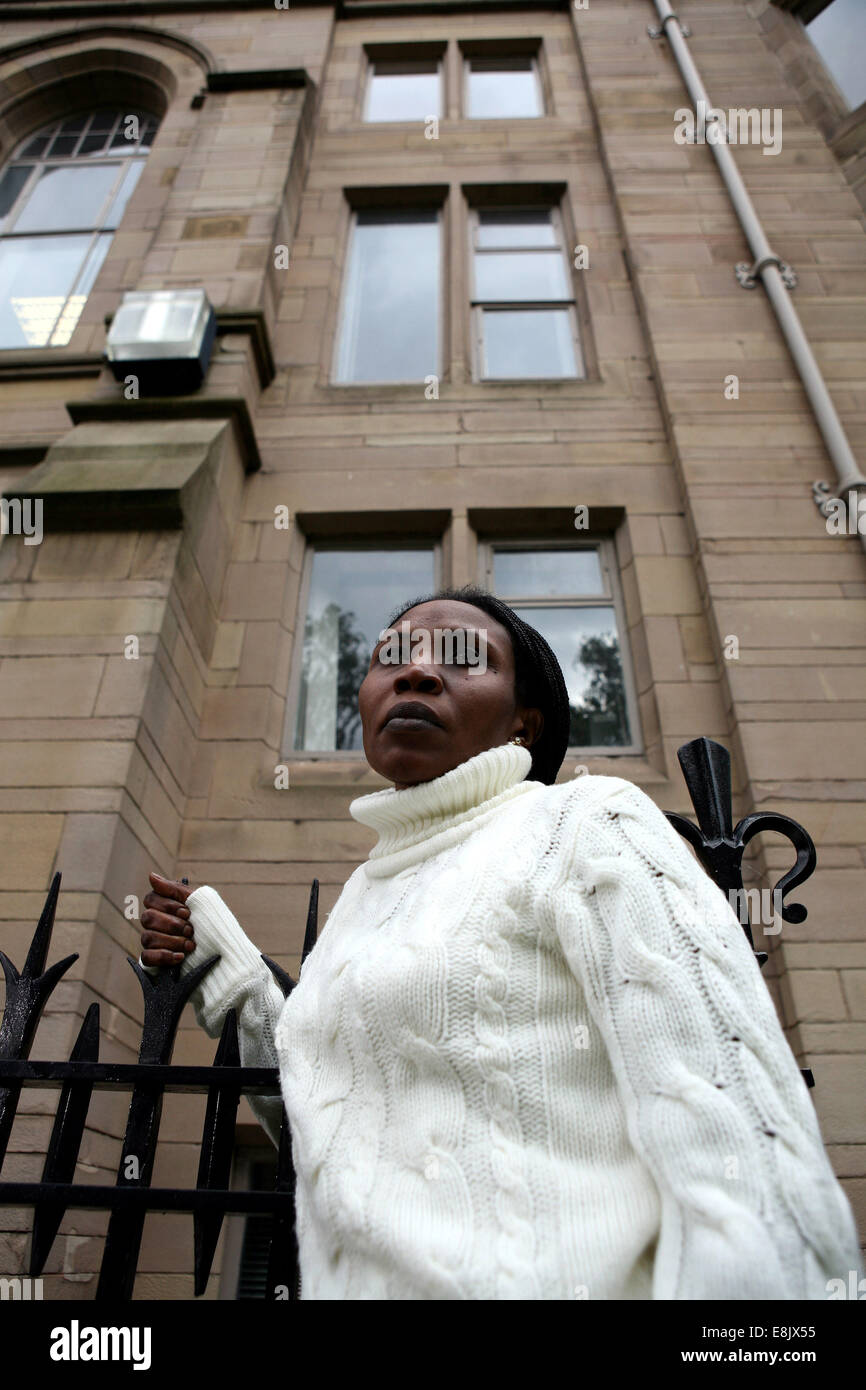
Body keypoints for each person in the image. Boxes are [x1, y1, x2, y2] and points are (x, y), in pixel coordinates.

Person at [137, 586, 861, 1300]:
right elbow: (333, 1125)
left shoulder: (586, 822)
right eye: (390, 656)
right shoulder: (366, 894)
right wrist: (227, 973)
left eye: (464, 658)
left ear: (524, 723)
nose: (415, 672)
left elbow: (738, 1134)